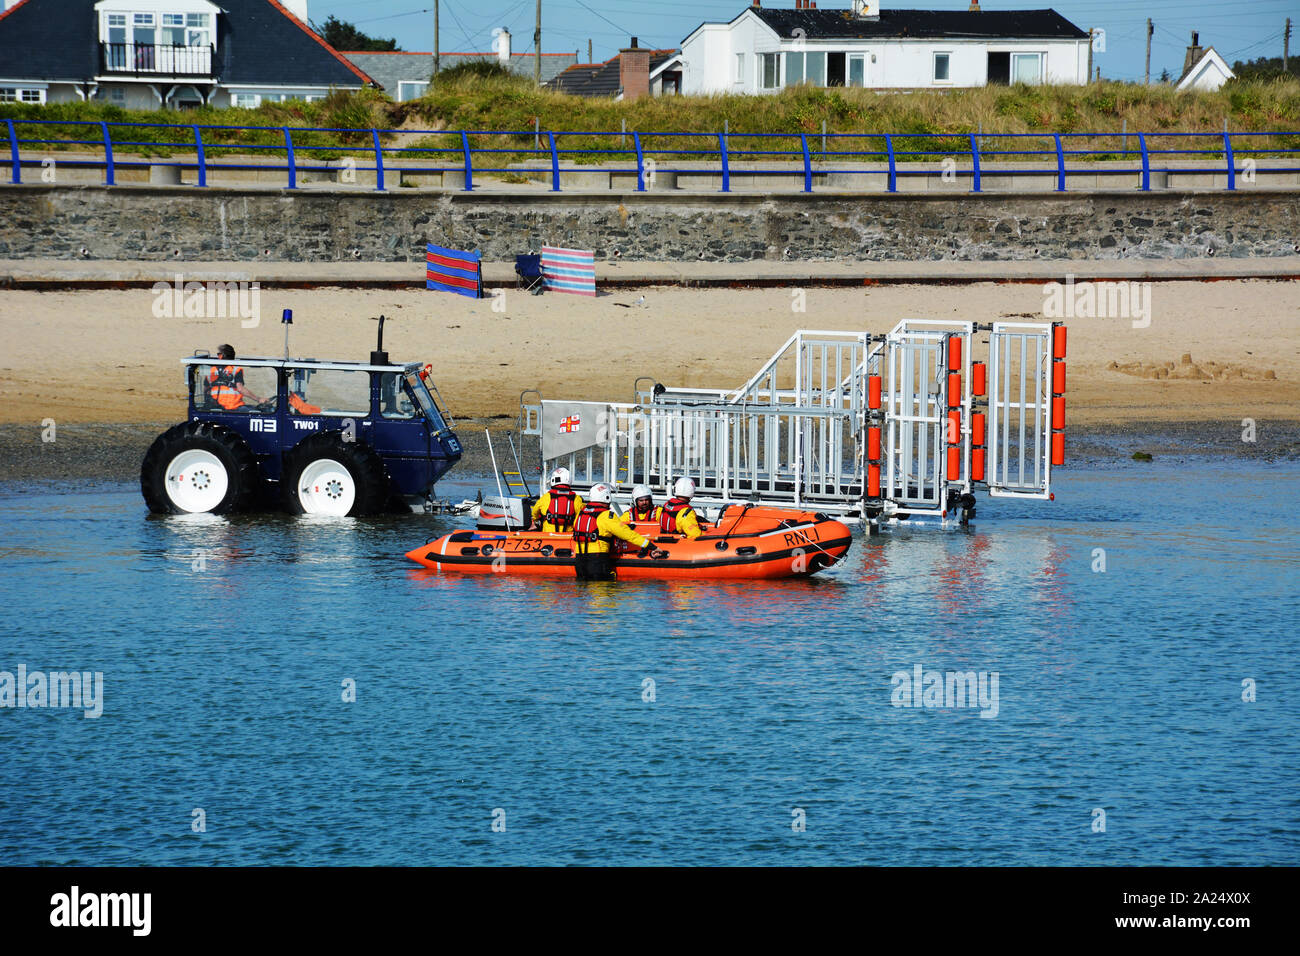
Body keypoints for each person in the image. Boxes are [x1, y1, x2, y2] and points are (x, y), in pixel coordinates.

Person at [572, 483, 652, 581]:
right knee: (602, 592)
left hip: (579, 561)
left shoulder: (581, 513)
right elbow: (628, 535)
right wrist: (650, 546)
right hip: (598, 560)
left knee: (583, 592)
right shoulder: (606, 515)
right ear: (606, 497)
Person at [206, 344, 265, 411]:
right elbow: (240, 389)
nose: (218, 356)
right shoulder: (236, 370)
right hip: (234, 407)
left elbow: (206, 390)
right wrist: (258, 399)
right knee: (257, 411)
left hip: (215, 407)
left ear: (221, 356)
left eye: (218, 354)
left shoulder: (211, 371)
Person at [530, 467, 584, 533]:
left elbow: (535, 512)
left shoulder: (546, 497)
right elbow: (581, 517)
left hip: (548, 535)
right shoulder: (576, 498)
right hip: (568, 537)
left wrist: (535, 520)